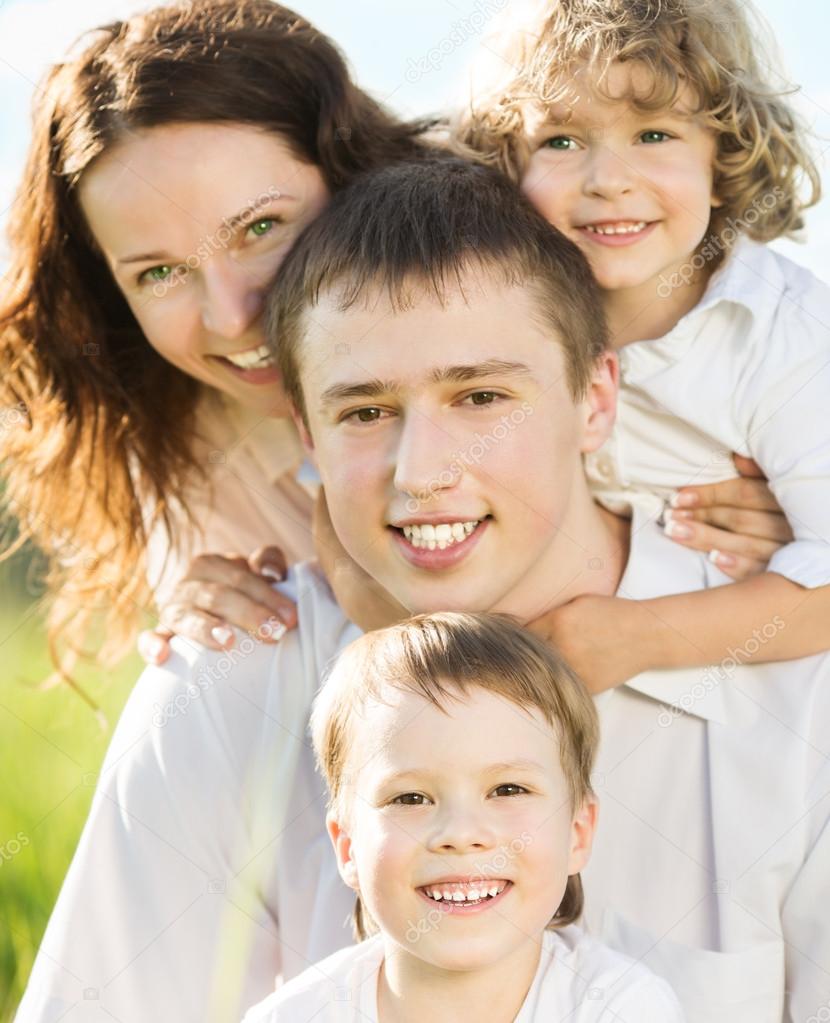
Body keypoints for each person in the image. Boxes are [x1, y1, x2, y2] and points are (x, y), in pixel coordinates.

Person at [17, 157, 830, 1022]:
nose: (421, 473)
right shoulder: (225, 679)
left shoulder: (801, 689)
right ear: (307, 432)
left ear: (595, 397)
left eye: (481, 396)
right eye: (364, 412)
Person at [0, 0, 429, 679]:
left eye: (260, 228)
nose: (231, 318)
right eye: (159, 273)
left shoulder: (548, 269)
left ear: (353, 175)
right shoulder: (193, 447)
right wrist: (207, 625)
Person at [452, 0, 830, 690]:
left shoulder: (786, 333)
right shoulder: (488, 312)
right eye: (561, 141)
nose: (608, 180)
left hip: (759, 705)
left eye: (654, 134)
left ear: (723, 158)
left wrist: (641, 636)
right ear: (509, 166)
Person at [243, 612, 685, 1022]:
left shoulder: (624, 1008)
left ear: (578, 833)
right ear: (347, 847)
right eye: (411, 798)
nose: (460, 833)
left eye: (508, 790)